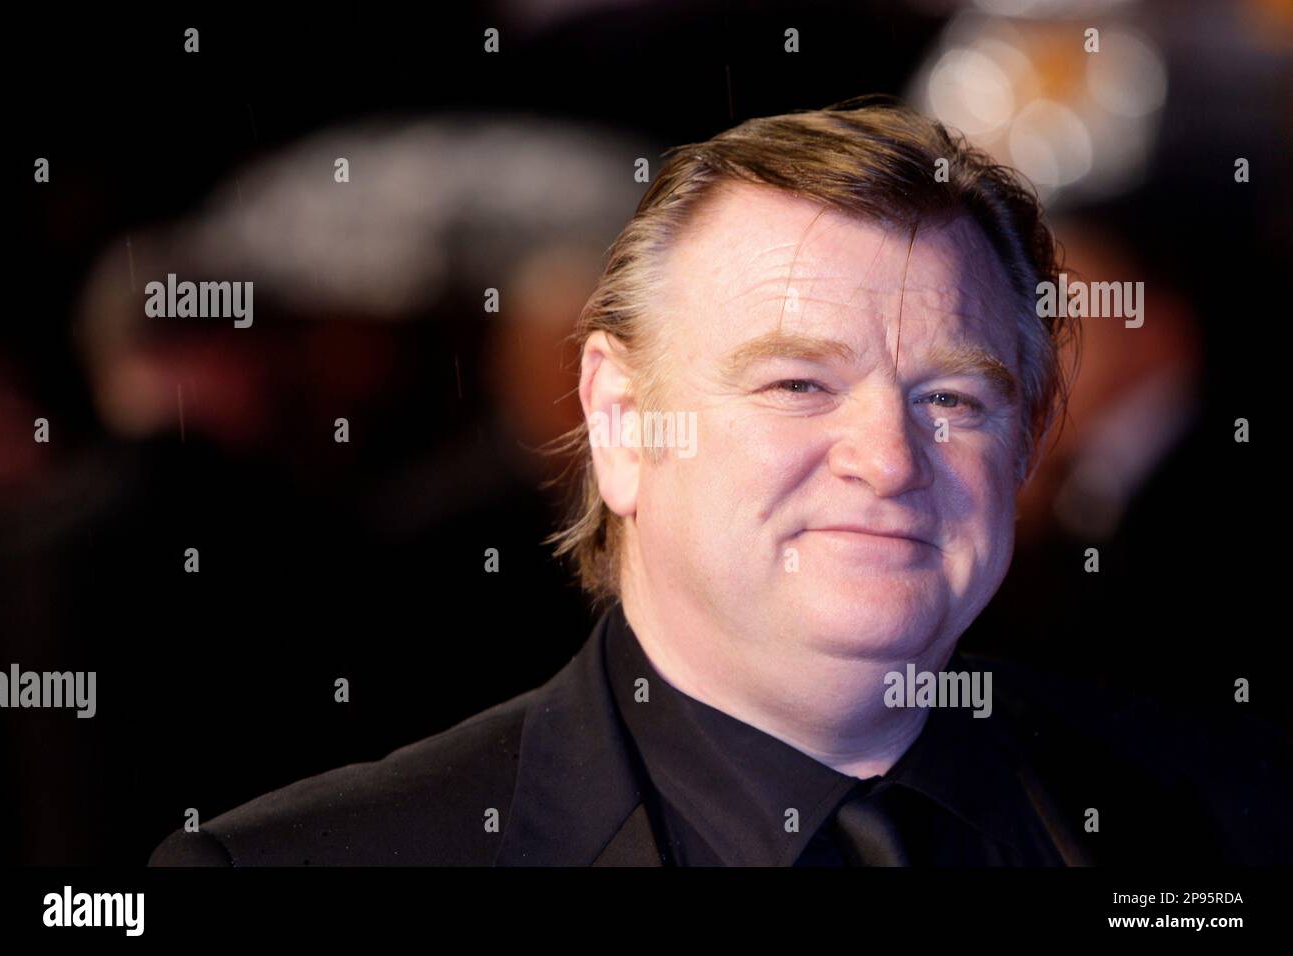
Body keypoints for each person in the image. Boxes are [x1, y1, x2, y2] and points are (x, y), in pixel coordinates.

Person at [148, 97, 1292, 867]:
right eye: (796, 384)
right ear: (620, 420)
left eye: (952, 398)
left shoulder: (1227, 821)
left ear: (1030, 437)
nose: (887, 460)